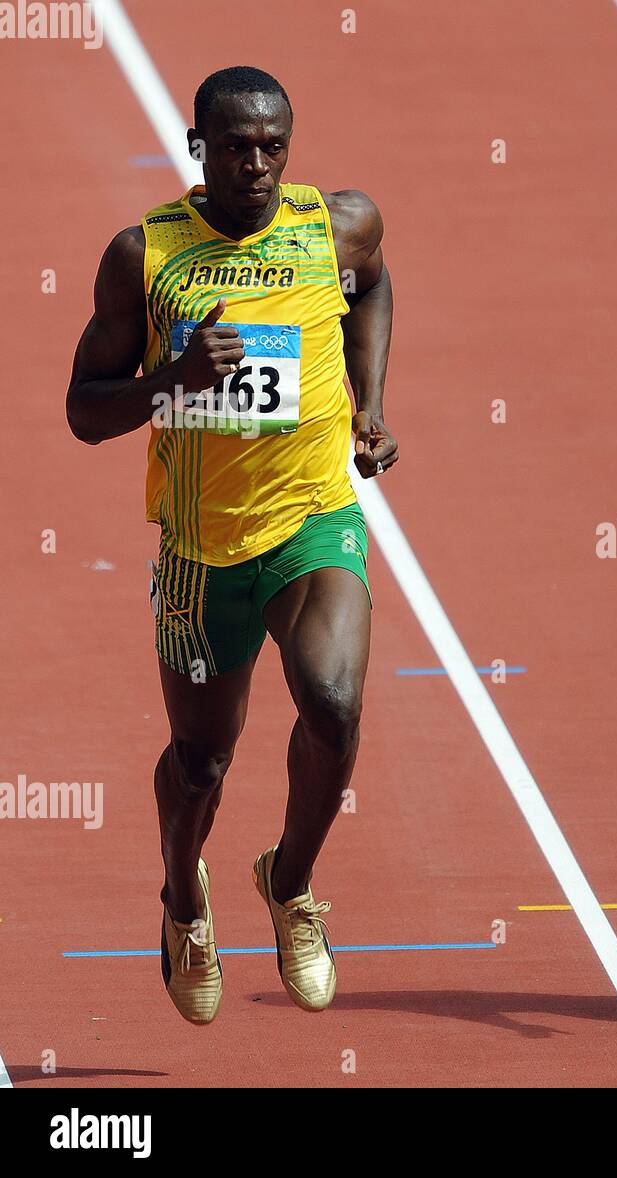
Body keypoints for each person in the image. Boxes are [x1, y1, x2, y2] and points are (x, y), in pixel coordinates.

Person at [66, 66, 398, 1023]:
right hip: (201, 551)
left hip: (311, 517)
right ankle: (182, 897)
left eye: (273, 145)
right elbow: (84, 412)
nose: (257, 163)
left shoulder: (338, 226)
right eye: (237, 146)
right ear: (197, 148)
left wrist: (370, 408)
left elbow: (373, 287)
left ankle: (289, 885)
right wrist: (170, 378)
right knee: (202, 762)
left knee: (333, 706)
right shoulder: (145, 254)